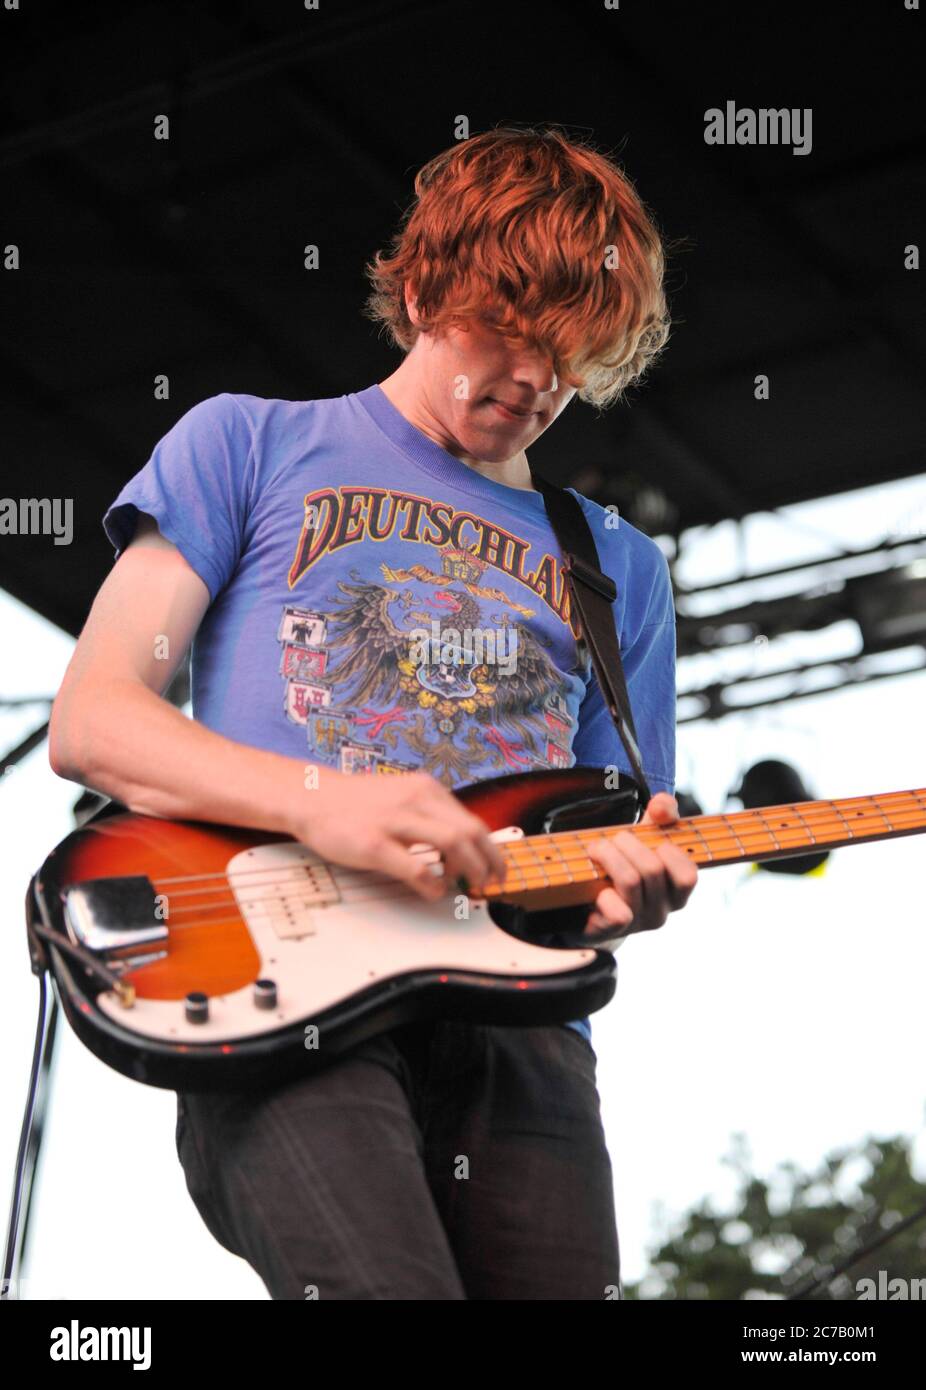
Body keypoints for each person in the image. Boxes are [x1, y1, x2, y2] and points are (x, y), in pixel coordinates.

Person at [48, 125, 699, 1299]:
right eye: (507, 337)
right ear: (418, 291)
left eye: (569, 356)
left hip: (522, 1031)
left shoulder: (618, 571)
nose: (535, 385)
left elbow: (602, 841)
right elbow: (97, 720)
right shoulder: (248, 444)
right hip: (277, 981)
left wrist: (624, 896)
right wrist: (325, 802)